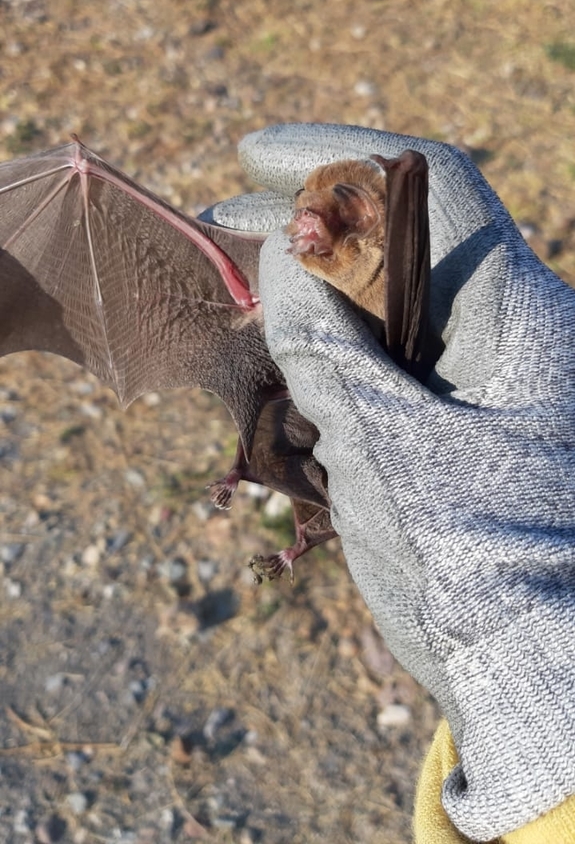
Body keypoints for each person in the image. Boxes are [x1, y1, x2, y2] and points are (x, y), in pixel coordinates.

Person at [208, 123, 575, 844]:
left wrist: (519, 675)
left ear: (374, 223)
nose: (308, 227)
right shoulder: (302, 244)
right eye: (307, 213)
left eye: (336, 212)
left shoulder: (393, 250)